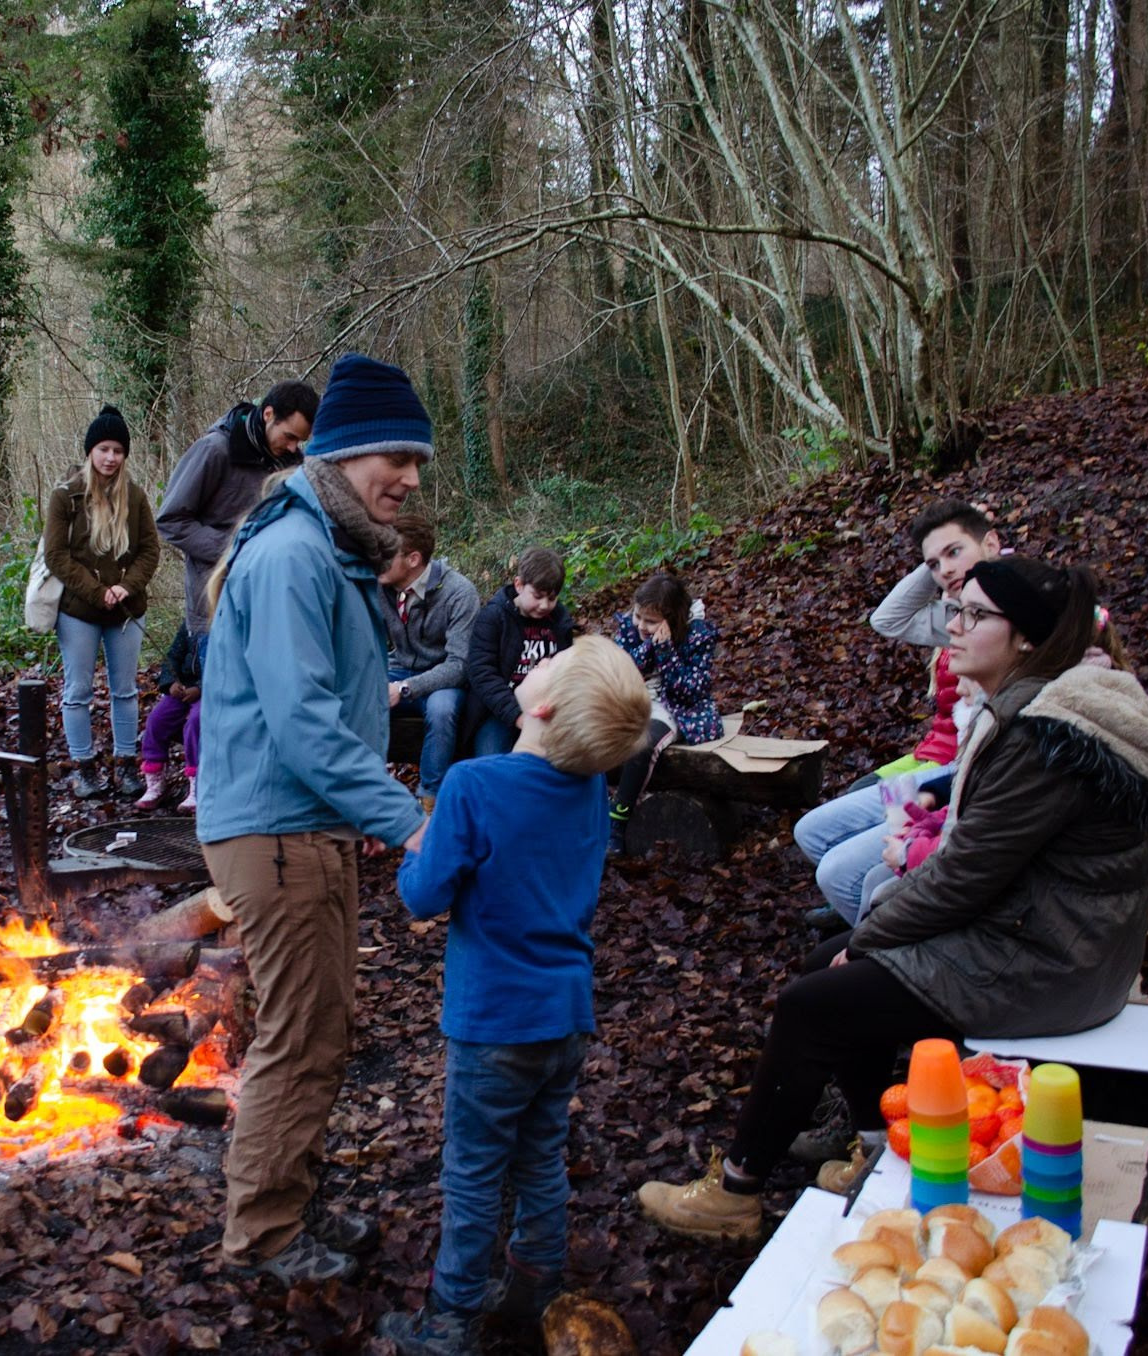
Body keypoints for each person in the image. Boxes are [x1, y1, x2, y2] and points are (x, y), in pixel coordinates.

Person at [636, 559, 1148, 1242]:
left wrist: (870, 936)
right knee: (826, 970)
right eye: (955, 609)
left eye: (974, 614)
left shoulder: (1041, 738)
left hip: (1054, 961)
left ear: (1025, 637)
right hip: (1041, 931)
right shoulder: (1035, 709)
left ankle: (735, 1194)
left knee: (813, 1004)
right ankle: (876, 1148)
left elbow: (965, 875)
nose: (952, 626)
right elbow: (975, 865)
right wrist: (870, 936)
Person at [197, 352, 431, 1284]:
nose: (410, 480)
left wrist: (358, 805)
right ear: (342, 455)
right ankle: (262, 1233)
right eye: (396, 459)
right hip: (277, 831)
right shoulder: (294, 553)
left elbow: (333, 703)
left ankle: (290, 1198)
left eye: (417, 463)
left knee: (319, 1030)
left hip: (304, 824)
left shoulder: (325, 545)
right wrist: (406, 818)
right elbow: (300, 721)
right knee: (298, 1037)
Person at [378, 637, 650, 1354]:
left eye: (551, 663)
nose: (540, 661)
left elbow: (425, 896)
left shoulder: (473, 784)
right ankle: (535, 1282)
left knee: (472, 1173)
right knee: (540, 1155)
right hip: (565, 1013)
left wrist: (416, 845)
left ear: (544, 705)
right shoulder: (589, 789)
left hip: (493, 1021)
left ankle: (451, 1320)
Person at [792, 500, 1002, 927]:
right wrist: (938, 566)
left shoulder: (1013, 622)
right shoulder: (953, 614)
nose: (945, 569)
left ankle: (869, 915)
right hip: (937, 757)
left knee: (846, 868)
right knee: (819, 826)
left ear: (992, 544)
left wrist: (955, 562)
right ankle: (859, 909)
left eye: (955, 551)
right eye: (934, 562)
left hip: (956, 768)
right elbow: (886, 619)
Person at [43, 405, 161, 799]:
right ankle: (84, 768)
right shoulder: (66, 496)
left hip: (126, 610)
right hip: (78, 610)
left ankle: (126, 765)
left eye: (118, 451)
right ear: (90, 451)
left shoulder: (136, 497)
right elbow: (56, 556)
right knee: (77, 691)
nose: (110, 458)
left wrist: (126, 587)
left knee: (125, 690)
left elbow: (149, 550)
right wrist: (97, 592)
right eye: (104, 449)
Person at [156, 380, 318, 635]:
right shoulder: (214, 449)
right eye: (289, 436)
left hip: (272, 608)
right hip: (215, 609)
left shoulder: (295, 463)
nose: (293, 447)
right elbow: (170, 520)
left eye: (300, 441)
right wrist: (236, 549)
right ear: (268, 414)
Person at [606, 571, 723, 856]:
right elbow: (623, 668)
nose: (641, 625)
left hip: (675, 707)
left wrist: (666, 652)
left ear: (671, 620)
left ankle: (617, 822)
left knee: (642, 745)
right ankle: (587, 812)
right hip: (631, 698)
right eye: (638, 617)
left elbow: (689, 691)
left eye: (650, 621)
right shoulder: (631, 627)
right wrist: (650, 645)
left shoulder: (698, 635)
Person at [379, 515, 480, 811]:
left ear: (413, 559)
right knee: (357, 695)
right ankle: (365, 789)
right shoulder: (380, 586)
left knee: (442, 710)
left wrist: (405, 688)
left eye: (386, 554)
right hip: (398, 666)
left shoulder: (459, 592)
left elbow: (459, 665)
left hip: (443, 677)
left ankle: (429, 798)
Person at [465, 548, 575, 758]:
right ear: (519, 585)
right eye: (538, 596)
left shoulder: (559, 620)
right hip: (498, 710)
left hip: (547, 709)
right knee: (492, 758)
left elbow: (568, 667)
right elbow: (481, 672)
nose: (544, 605)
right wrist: (516, 715)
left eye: (552, 598)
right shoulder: (494, 617)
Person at [136, 621, 203, 811]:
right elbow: (173, 656)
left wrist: (200, 687)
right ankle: (155, 782)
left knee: (195, 723)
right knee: (157, 720)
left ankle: (198, 784)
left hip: (210, 690)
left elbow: (227, 665)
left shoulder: (225, 622)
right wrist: (171, 682)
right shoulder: (189, 624)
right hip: (183, 687)